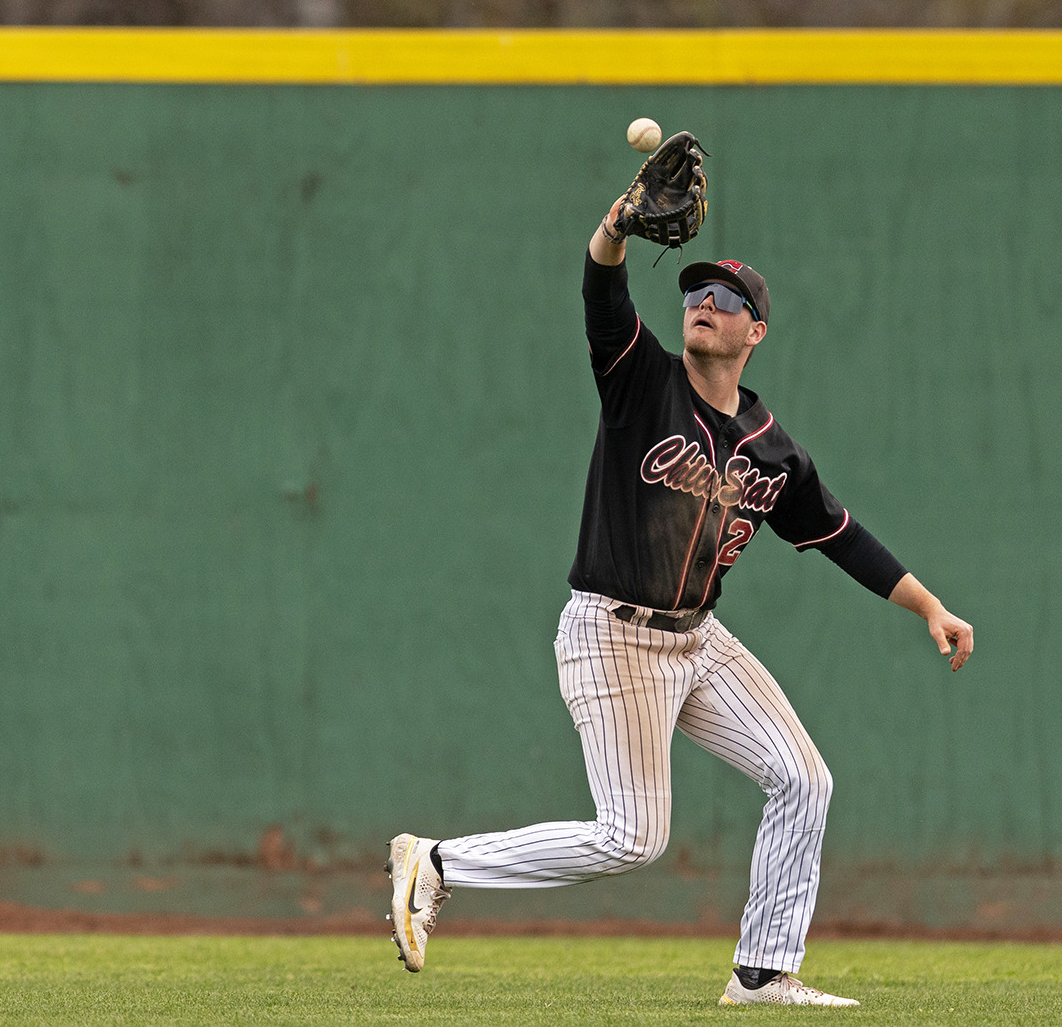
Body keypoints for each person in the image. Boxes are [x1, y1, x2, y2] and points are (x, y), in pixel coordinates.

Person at [388, 197, 974, 1008]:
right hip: (614, 635)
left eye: (727, 300)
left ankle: (763, 973)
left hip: (699, 641)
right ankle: (438, 863)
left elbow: (840, 534)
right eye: (697, 293)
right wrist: (618, 225)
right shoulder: (640, 381)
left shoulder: (773, 450)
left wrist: (930, 607)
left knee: (806, 780)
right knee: (631, 838)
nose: (705, 304)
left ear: (755, 332)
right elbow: (601, 291)